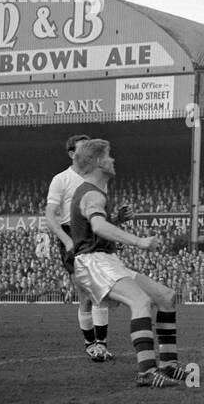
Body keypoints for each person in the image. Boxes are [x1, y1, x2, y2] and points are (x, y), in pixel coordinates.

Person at [69, 138, 188, 388]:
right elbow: (98, 226)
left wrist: (115, 220)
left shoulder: (94, 192)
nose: (113, 160)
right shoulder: (91, 193)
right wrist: (139, 241)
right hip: (93, 261)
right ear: (99, 162)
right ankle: (146, 371)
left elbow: (98, 224)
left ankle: (169, 365)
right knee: (140, 301)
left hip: (104, 259)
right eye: (109, 156)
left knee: (165, 296)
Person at [44, 133, 126, 361]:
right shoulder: (61, 179)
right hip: (73, 237)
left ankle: (100, 345)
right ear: (72, 154)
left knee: (100, 294)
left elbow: (99, 218)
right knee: (87, 294)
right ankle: (92, 345)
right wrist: (68, 240)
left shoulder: (97, 179)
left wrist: (116, 219)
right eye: (84, 150)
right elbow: (50, 216)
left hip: (95, 237)